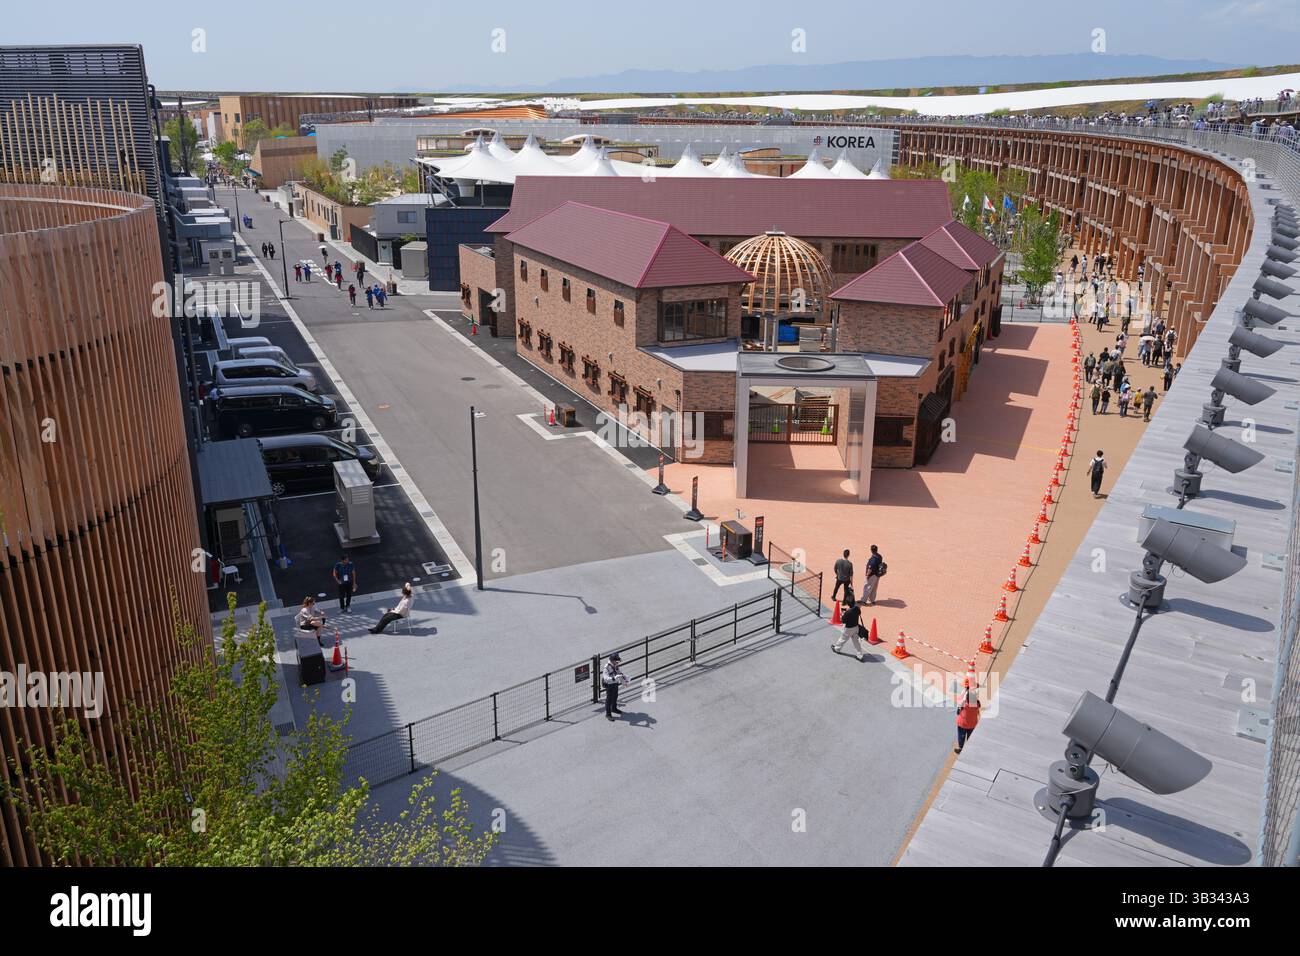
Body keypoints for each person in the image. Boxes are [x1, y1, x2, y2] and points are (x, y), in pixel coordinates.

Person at [602, 652, 630, 721]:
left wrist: (624, 683)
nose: (617, 662)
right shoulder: (607, 668)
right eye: (616, 661)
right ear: (612, 660)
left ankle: (614, 708)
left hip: (615, 684)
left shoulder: (615, 665)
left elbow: (619, 674)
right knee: (609, 700)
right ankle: (608, 714)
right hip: (609, 685)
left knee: (615, 696)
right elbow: (605, 678)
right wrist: (614, 678)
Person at [955, 681, 981, 754]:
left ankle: (960, 748)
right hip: (972, 724)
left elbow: (960, 702)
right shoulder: (977, 704)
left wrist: (967, 690)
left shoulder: (964, 704)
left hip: (963, 724)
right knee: (970, 738)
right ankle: (969, 750)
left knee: (961, 737)